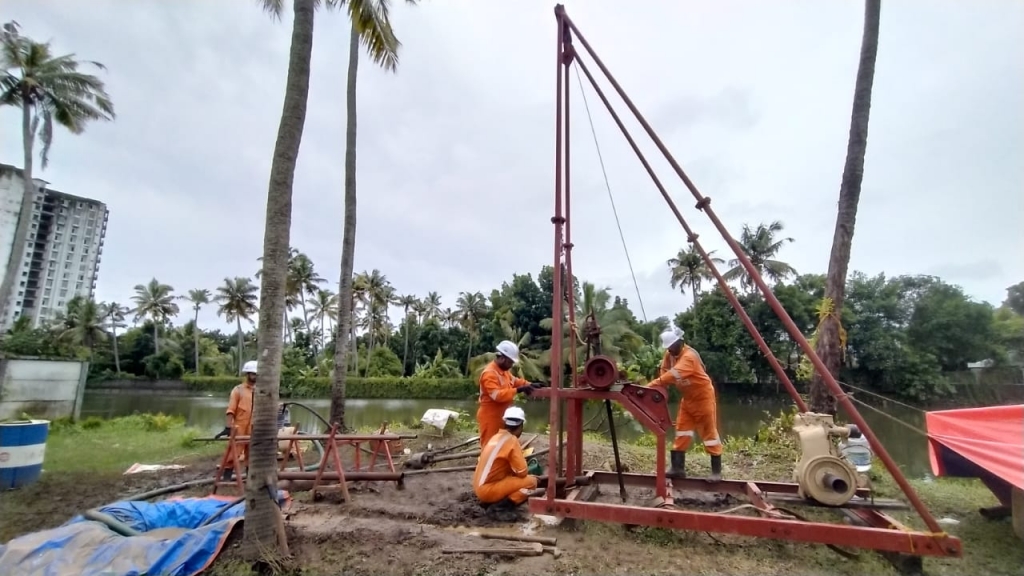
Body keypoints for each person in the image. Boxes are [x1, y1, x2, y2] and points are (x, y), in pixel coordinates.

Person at [647, 329, 723, 482]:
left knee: (709, 434)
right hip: (687, 400)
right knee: (682, 431)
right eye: (668, 348)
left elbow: (672, 375)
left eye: (672, 347)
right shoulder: (669, 355)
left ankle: (716, 472)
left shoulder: (689, 357)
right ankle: (677, 468)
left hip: (703, 399)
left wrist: (651, 385)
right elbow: (664, 371)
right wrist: (660, 387)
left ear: (680, 343)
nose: (670, 350)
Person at [476, 340, 542, 446]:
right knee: (489, 445)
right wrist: (519, 390)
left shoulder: (504, 372)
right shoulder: (489, 374)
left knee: (501, 445)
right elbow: (497, 396)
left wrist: (529, 384)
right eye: (510, 362)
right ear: (502, 358)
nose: (511, 365)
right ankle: (487, 463)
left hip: (503, 415)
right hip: (490, 416)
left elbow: (515, 381)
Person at [473, 406, 539, 510]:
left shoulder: (495, 437)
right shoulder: (511, 440)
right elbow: (522, 472)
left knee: (512, 478)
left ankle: (493, 501)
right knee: (532, 482)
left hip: (479, 488)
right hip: (488, 490)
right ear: (521, 425)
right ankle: (504, 505)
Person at [216, 360, 258, 479]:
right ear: (247, 374)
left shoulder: (260, 391)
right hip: (239, 427)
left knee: (252, 453)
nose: (255, 376)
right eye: (253, 374)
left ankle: (251, 477)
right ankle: (227, 476)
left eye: (256, 374)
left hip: (254, 427)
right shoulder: (238, 390)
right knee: (234, 452)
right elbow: (231, 410)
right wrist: (228, 427)